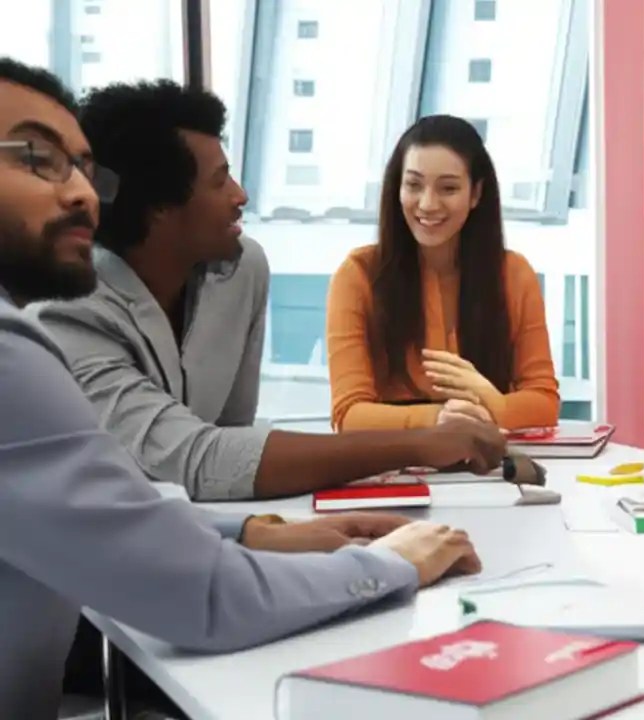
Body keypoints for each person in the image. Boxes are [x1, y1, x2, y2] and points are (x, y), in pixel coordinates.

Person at [0, 57, 483, 720]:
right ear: (162, 206)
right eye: (38, 159)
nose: (84, 194)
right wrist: (397, 562)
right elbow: (203, 586)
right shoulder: (21, 348)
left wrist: (248, 530)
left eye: (84, 168)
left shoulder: (239, 268)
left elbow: (134, 492)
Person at [36, 81, 505, 501]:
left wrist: (259, 532)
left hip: (202, 533)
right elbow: (195, 461)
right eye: (220, 181)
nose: (240, 195)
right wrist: (422, 441)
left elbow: (233, 438)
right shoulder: (68, 311)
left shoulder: (242, 269)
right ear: (160, 209)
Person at [326, 115, 560, 432]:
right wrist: (440, 419)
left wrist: (492, 402)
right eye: (413, 185)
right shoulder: (358, 275)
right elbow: (348, 415)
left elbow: (544, 403)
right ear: (397, 188)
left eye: (448, 188)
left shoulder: (514, 274)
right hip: (393, 465)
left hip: (486, 460)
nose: (427, 203)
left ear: (476, 193)